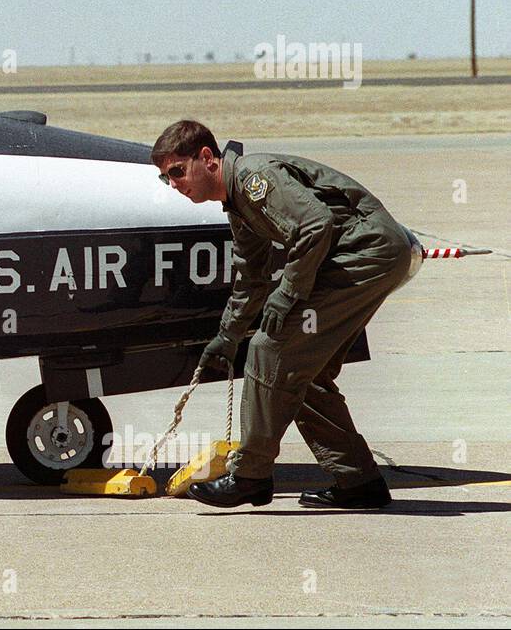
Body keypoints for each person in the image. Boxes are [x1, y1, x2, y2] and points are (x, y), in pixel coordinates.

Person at [151, 119, 419, 510]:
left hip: (365, 253)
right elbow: (251, 275)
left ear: (206, 158)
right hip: (362, 255)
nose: (175, 184)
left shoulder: (254, 179)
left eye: (177, 171)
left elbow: (315, 225)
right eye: (166, 179)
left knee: (269, 348)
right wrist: (227, 336)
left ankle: (249, 476)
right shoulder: (237, 204)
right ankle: (358, 481)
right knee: (302, 373)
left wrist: (289, 293)